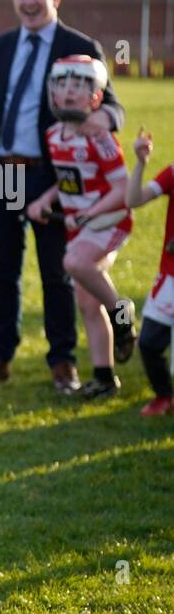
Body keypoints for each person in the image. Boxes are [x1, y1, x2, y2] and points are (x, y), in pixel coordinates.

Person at [0, 0, 125, 393]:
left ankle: (62, 362)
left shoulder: (79, 46)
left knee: (56, 273)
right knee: (2, 270)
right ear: (14, 0)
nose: (29, 2)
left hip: (51, 176)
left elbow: (111, 106)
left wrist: (106, 116)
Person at [26, 55, 134, 399]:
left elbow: (123, 188)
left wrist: (89, 214)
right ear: (52, 92)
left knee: (73, 263)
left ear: (96, 96)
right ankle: (104, 377)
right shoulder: (54, 134)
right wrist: (45, 200)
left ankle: (121, 312)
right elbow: (69, 180)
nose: (68, 92)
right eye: (62, 85)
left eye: (78, 86)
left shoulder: (99, 136)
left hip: (109, 220)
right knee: (86, 303)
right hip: (80, 225)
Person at [124, 129, 174, 415]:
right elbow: (133, 200)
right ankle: (164, 396)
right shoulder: (173, 173)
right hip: (170, 275)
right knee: (149, 342)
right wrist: (141, 162)